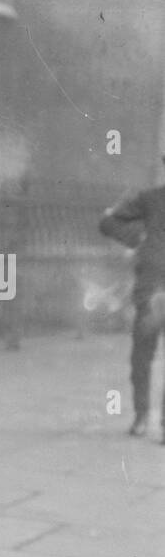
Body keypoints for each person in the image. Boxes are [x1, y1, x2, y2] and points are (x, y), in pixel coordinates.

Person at [100, 172, 165, 439]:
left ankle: (146, 420)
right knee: (141, 358)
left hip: (150, 287)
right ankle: (142, 417)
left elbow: (108, 221)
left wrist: (140, 241)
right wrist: (138, 239)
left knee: (141, 358)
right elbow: (108, 222)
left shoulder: (150, 198)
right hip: (151, 290)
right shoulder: (151, 198)